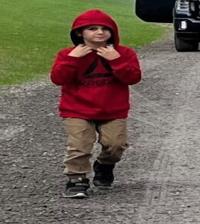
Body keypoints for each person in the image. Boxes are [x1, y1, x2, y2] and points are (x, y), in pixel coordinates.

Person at [51, 9, 142, 198]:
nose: (100, 33)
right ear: (79, 33)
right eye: (92, 29)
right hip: (77, 109)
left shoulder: (123, 53)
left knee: (116, 145)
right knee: (79, 145)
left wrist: (116, 60)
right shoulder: (67, 54)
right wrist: (72, 59)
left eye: (104, 29)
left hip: (113, 110)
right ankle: (76, 178)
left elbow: (133, 78)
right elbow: (58, 78)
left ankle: (104, 166)